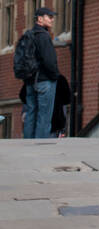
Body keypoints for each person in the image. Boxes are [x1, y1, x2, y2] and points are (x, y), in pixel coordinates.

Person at [21, 8, 60, 139]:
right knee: (44, 116)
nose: (52, 19)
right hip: (44, 81)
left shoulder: (29, 35)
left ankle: (27, 145)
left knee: (31, 114)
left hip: (30, 81)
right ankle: (40, 148)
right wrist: (55, 76)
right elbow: (49, 60)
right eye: (49, 16)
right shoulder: (43, 36)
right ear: (40, 18)